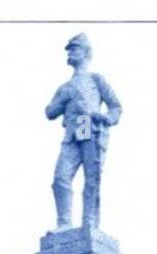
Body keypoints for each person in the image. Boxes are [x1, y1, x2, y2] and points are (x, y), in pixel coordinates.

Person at [45, 34, 122, 230]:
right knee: (61, 178)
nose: (70, 53)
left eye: (74, 48)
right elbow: (50, 112)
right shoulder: (66, 86)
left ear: (86, 52)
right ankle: (64, 223)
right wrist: (63, 99)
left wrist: (107, 118)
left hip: (88, 124)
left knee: (91, 178)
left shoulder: (95, 79)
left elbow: (115, 107)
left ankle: (89, 222)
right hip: (72, 131)